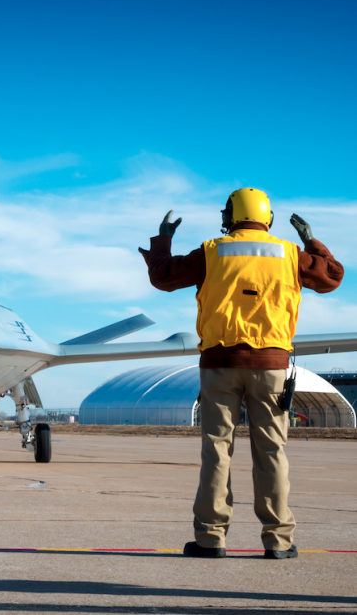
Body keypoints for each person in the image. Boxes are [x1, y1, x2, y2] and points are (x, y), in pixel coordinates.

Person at [139, 188, 343, 560]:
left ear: (229, 216)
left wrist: (163, 239)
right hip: (271, 366)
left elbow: (163, 277)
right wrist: (311, 239)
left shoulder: (211, 251)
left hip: (219, 364)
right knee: (272, 451)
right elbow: (332, 277)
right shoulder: (289, 254)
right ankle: (279, 541)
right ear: (268, 218)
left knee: (216, 450)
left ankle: (210, 539)